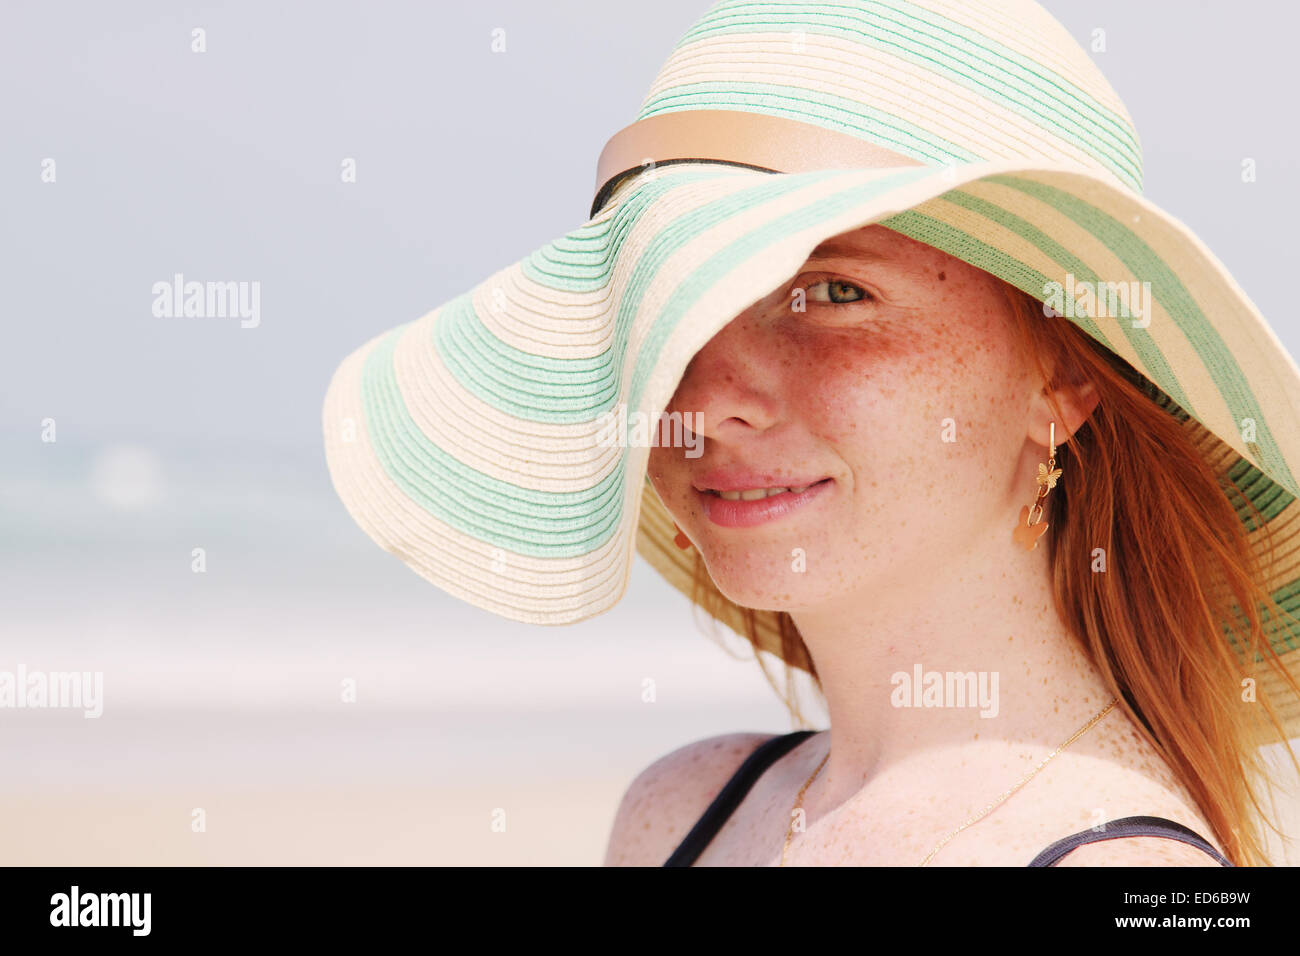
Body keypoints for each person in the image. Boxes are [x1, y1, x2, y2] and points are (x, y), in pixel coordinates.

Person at [321, 0, 1300, 866]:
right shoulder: (678, 813)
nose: (702, 401)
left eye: (833, 291)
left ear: (1063, 375)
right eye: (676, 306)